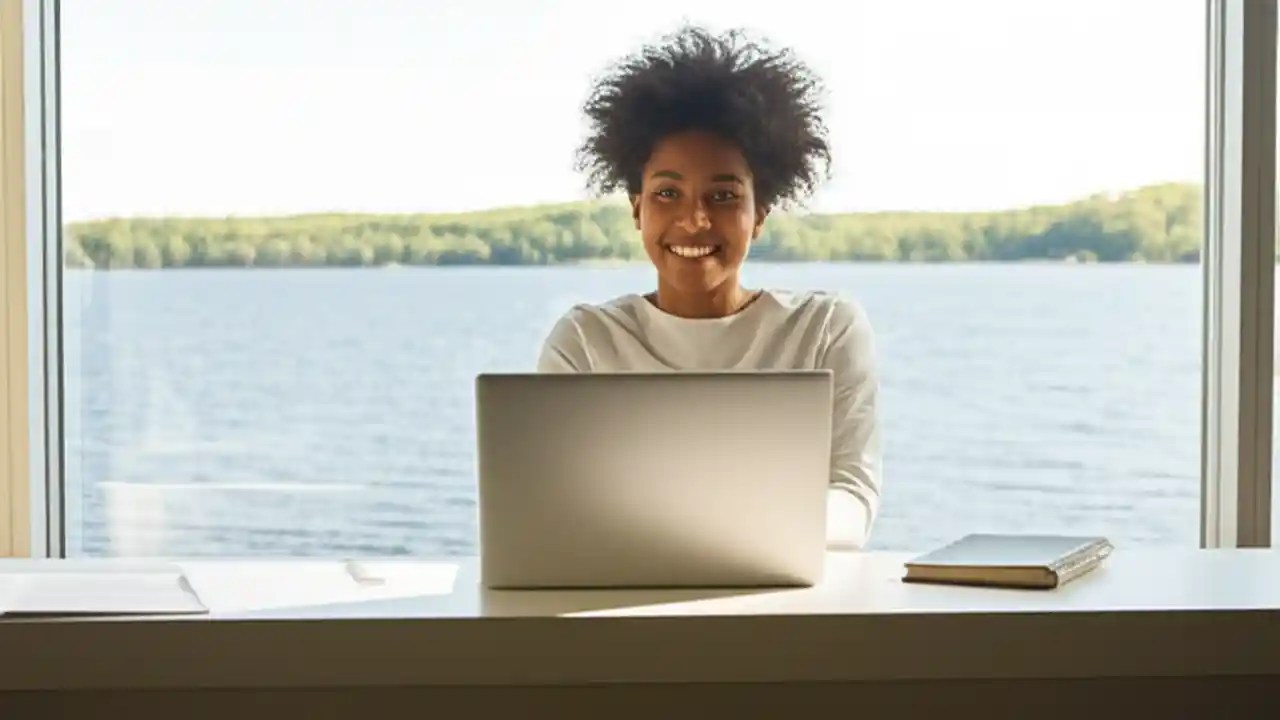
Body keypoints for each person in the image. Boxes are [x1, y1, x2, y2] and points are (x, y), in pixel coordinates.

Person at [537, 26, 882, 550]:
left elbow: (852, 502)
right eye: (667, 193)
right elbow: (549, 508)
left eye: (722, 195)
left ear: (759, 214)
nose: (694, 220)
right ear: (637, 209)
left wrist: (701, 535)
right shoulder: (584, 342)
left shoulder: (825, 331)